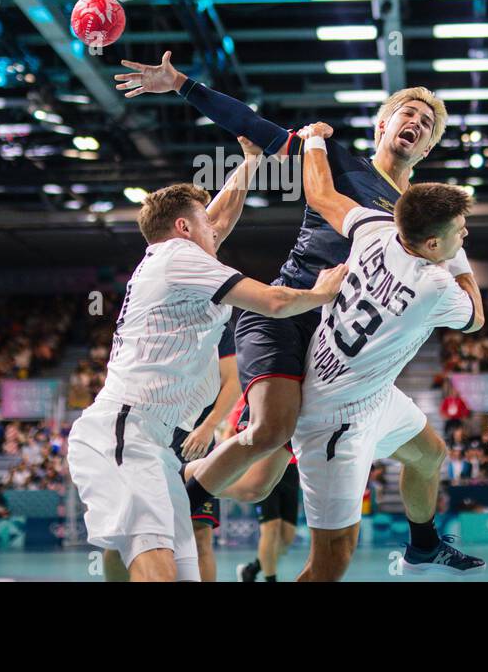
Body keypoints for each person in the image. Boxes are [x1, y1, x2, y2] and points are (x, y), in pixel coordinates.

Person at [114, 53, 483, 520]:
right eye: (408, 113)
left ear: (427, 148)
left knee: (253, 486)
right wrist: (182, 85)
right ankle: (161, 505)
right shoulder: (335, 162)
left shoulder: (422, 214)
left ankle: (180, 478)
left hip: (335, 347)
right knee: (270, 430)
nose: (416, 122)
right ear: (383, 125)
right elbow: (251, 124)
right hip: (283, 317)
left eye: (427, 123)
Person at [66, 143, 346, 582]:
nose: (214, 229)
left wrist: (251, 162)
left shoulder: (174, 256)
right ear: (182, 227)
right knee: (156, 565)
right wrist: (323, 293)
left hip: (156, 442)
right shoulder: (179, 258)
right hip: (127, 430)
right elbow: (272, 301)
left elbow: (218, 218)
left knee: (179, 569)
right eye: (202, 222)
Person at [287, 122, 486, 580]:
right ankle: (201, 483)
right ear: (433, 244)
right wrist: (456, 259)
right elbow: (476, 316)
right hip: (334, 419)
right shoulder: (435, 285)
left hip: (368, 391)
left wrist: (314, 141)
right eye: (460, 231)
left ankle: (423, 544)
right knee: (331, 561)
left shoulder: (374, 228)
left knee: (430, 454)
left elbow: (321, 196)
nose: (466, 235)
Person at [104, 313, 243, 582]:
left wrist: (208, 426)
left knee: (199, 533)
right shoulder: (148, 323)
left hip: (197, 443)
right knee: (126, 535)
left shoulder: (219, 329)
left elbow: (234, 381)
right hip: (147, 439)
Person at [227, 393, 300, 583]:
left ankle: (251, 569)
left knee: (286, 538)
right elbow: (230, 434)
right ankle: (270, 579)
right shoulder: (246, 400)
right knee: (271, 528)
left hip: (290, 468)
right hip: (261, 466)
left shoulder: (289, 393)